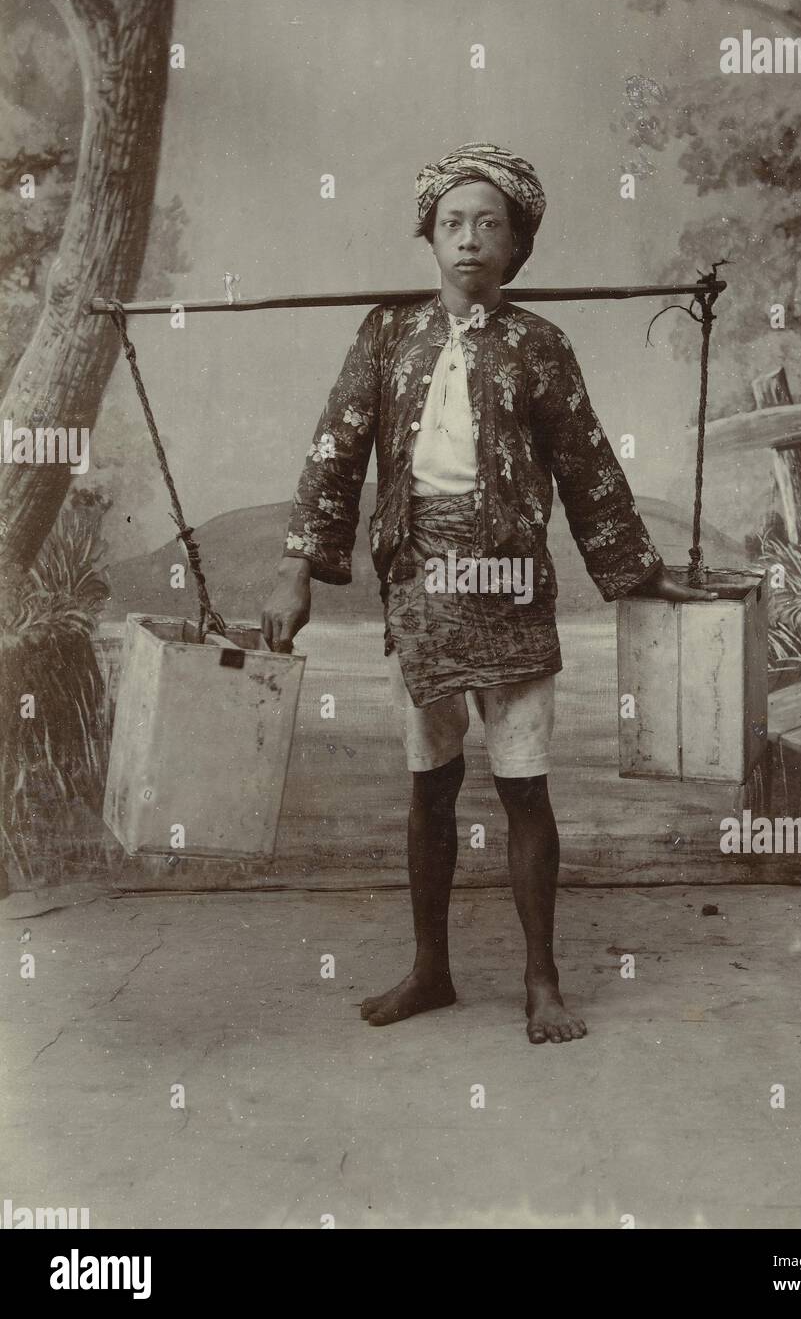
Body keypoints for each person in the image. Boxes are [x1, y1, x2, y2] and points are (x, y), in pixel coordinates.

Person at [261, 142, 716, 1045]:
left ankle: (541, 979)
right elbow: (337, 448)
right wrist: (296, 566)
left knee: (524, 791)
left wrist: (637, 570)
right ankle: (431, 970)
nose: (470, 241)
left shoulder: (540, 346)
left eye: (490, 226)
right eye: (453, 223)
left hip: (509, 583)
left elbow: (587, 465)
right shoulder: (388, 333)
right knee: (430, 785)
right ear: (428, 236)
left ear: (517, 247)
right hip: (419, 581)